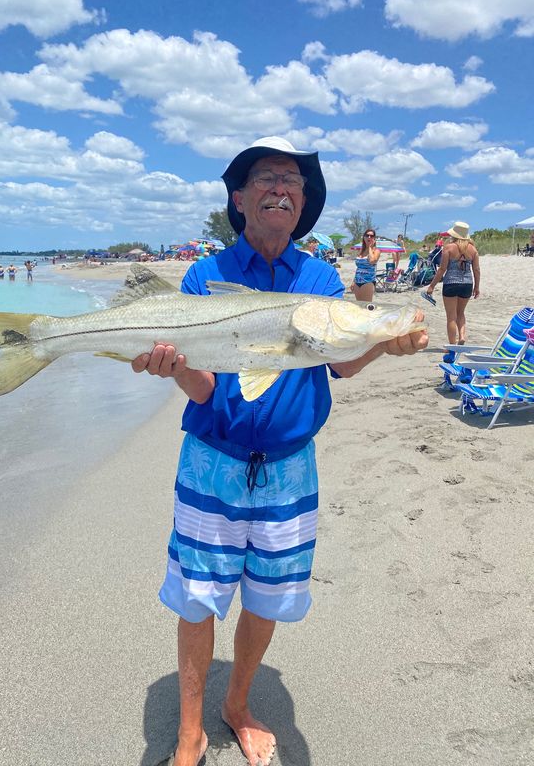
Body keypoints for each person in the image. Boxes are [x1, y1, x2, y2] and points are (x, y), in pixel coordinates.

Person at [131, 137, 428, 766]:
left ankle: (237, 705)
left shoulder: (319, 279)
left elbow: (339, 361)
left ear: (302, 204)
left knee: (266, 596)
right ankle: (189, 732)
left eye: (293, 181)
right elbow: (206, 388)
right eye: (266, 176)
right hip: (212, 460)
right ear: (239, 200)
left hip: (291, 468)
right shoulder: (204, 277)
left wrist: (383, 341)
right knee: (197, 597)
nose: (281, 188)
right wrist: (174, 369)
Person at [425, 221, 480, 355]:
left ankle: (452, 346)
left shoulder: (449, 248)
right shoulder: (473, 249)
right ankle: (462, 336)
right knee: (461, 313)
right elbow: (477, 270)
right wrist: (477, 287)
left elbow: (442, 269)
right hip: (467, 284)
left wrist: (432, 286)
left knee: (451, 317)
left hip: (451, 283)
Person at [350, 228, 380, 301]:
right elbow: (358, 268)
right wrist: (353, 281)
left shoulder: (376, 251)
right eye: (367, 235)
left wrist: (370, 247)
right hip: (357, 281)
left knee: (366, 305)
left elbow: (372, 261)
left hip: (368, 282)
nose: (369, 237)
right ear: (364, 237)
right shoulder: (361, 251)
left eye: (371, 236)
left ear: (374, 238)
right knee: (358, 305)